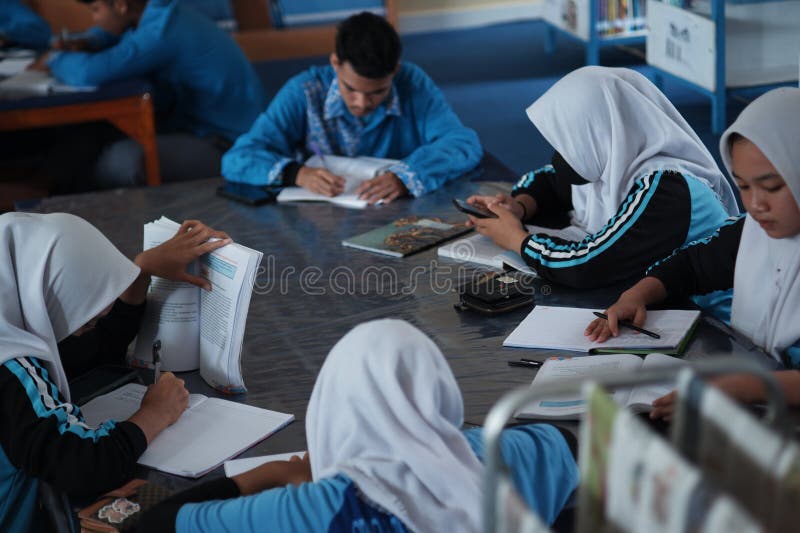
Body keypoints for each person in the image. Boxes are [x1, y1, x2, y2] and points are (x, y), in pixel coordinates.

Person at [135, 319, 579, 532]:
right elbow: (569, 441)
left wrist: (261, 477)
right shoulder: (504, 455)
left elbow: (154, 527)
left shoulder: (319, 507)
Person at [0, 212, 231, 531]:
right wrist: (154, 414)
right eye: (89, 318)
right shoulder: (13, 366)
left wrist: (138, 273)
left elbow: (87, 350)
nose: (89, 326)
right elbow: (79, 465)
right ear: (45, 296)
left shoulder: (10, 315)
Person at [583, 87, 800, 420]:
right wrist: (637, 294)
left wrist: (743, 388)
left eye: (772, 187)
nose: (756, 204)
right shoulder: (756, 234)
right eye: (743, 186)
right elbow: (693, 265)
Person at [465, 66, 739, 289]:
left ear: (600, 131)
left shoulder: (668, 187)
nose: (561, 154)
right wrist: (519, 206)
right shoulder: (615, 156)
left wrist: (515, 239)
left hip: (707, 326)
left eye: (568, 140)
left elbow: (590, 265)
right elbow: (551, 181)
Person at [221, 12, 483, 205]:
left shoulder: (412, 83)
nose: (362, 103)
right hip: (322, 220)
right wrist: (297, 174)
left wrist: (407, 176)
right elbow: (238, 158)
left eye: (378, 92)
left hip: (398, 210)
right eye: (350, 89)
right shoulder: (304, 91)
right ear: (335, 63)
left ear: (395, 71)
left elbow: (463, 143)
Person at [28, 0, 266, 189]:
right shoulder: (160, 14)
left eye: (96, 9)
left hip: (230, 147)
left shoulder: (162, 30)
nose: (95, 19)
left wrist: (54, 58)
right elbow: (115, 35)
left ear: (121, 5)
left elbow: (90, 72)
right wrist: (89, 41)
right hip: (197, 129)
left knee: (118, 162)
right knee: (89, 134)